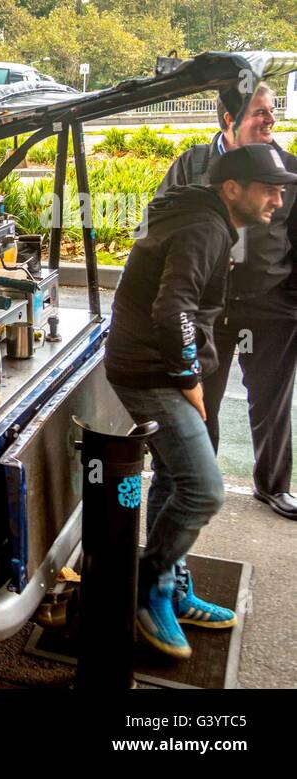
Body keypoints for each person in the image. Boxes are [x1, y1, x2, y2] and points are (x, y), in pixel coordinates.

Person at [107, 144, 296, 658]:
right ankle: (150, 587)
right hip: (150, 371)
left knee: (172, 477)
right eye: (269, 189)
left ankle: (170, 587)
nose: (278, 200)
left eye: (282, 190)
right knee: (204, 488)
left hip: (153, 362)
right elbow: (174, 309)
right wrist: (189, 375)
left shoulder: (202, 213)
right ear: (232, 189)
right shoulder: (204, 227)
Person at [157, 83, 297, 519]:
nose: (270, 120)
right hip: (206, 309)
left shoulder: (290, 169)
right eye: (259, 112)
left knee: (271, 401)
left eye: (272, 111)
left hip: (270, 306)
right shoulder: (193, 164)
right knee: (201, 399)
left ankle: (272, 486)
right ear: (229, 120)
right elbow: (155, 223)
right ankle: (201, 485)